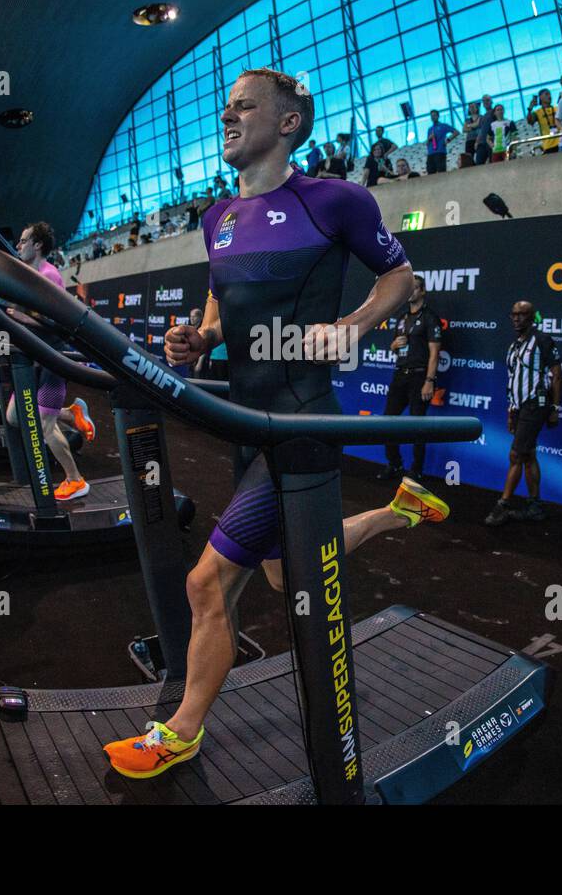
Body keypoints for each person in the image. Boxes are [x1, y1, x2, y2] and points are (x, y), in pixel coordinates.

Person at [102, 67, 451, 779]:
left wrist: (353, 326)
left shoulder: (334, 201)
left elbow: (401, 276)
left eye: (244, 107)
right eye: (225, 108)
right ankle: (396, 512)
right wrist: (202, 337)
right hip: (245, 425)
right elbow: (219, 293)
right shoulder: (216, 217)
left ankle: (181, 732)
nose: (227, 117)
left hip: (299, 424)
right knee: (273, 573)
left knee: (207, 585)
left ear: (288, 124)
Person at [10, 221, 97, 501]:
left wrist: (16, 316)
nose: (18, 246)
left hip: (52, 358)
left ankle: (76, 480)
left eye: (24, 241)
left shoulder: (49, 276)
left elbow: (55, 322)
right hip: (33, 358)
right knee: (14, 416)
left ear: (38, 245)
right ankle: (71, 414)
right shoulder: (29, 274)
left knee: (45, 426)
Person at [485, 300, 561, 526]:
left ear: (532, 316)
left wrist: (555, 408)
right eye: (514, 314)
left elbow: (557, 375)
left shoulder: (542, 340)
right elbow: (512, 380)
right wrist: (511, 410)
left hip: (535, 405)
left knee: (516, 455)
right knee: (528, 455)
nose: (517, 318)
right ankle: (535, 505)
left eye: (523, 314)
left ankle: (503, 504)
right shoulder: (514, 346)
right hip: (518, 407)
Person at [377, 274, 442, 482]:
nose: (409, 292)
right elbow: (396, 347)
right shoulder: (403, 318)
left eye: (414, 288)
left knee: (417, 427)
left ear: (422, 291)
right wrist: (393, 346)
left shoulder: (430, 318)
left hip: (419, 377)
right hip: (400, 374)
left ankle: (416, 471)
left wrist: (429, 381)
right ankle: (394, 465)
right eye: (408, 289)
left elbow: (435, 353)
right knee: (388, 422)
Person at [425, 110, 458, 174]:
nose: (433, 117)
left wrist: (448, 140)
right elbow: (427, 143)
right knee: (430, 174)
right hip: (430, 154)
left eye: (434, 115)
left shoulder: (443, 126)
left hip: (440, 152)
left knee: (441, 172)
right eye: (431, 116)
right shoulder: (429, 129)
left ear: (438, 116)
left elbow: (456, 132)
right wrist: (429, 138)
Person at [526, 89, 559, 154]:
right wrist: (530, 109)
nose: (549, 96)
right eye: (546, 94)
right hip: (548, 145)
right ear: (540, 97)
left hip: (561, 142)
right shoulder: (537, 112)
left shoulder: (557, 108)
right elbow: (530, 121)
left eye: (550, 94)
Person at [472, 94, 496, 165]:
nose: (486, 102)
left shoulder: (495, 112)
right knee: (479, 163)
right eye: (484, 101)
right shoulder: (482, 117)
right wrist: (476, 141)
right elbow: (481, 130)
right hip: (482, 143)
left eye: (487, 100)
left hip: (491, 141)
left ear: (491, 101)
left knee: (493, 162)